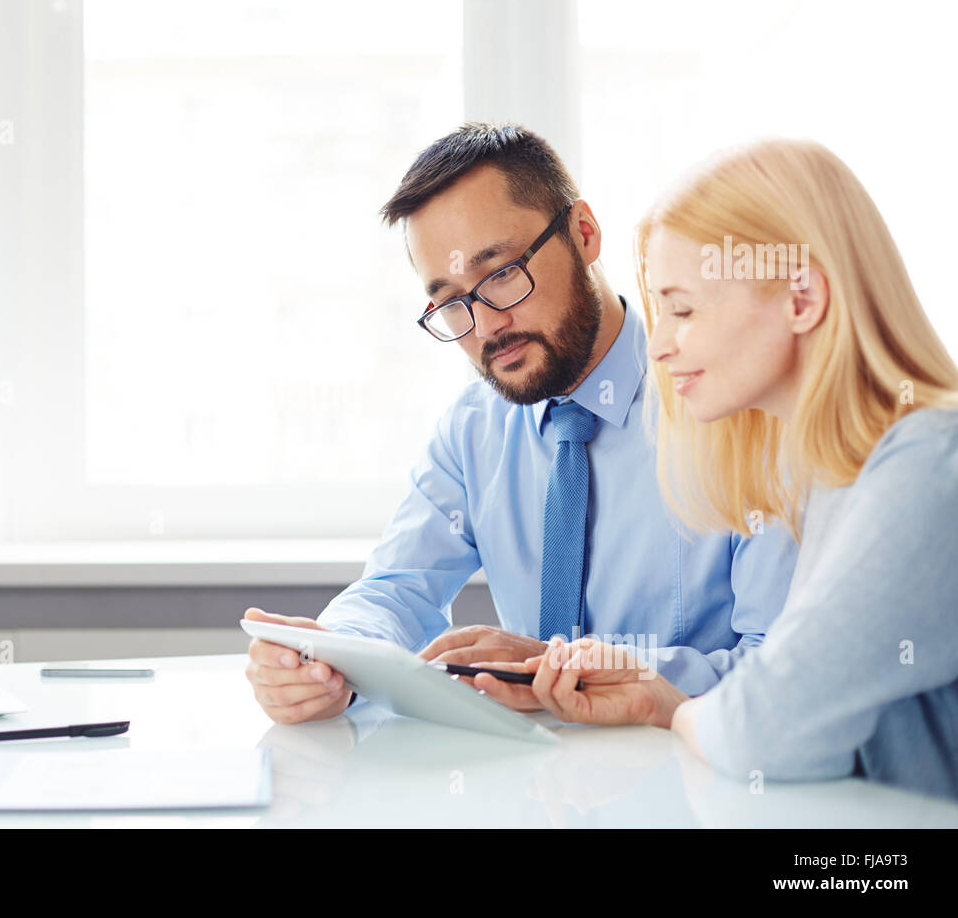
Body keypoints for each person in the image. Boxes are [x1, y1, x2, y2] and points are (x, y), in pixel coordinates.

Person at [244, 123, 797, 725]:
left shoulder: (736, 407)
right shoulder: (473, 432)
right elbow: (396, 589)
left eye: (501, 274)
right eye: (452, 301)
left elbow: (778, 667)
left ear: (584, 234)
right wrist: (328, 662)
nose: (484, 328)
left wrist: (572, 669)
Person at [469, 138, 958, 799]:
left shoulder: (930, 466)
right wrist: (657, 700)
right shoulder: (836, 474)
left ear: (802, 298)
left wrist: (686, 712)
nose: (660, 345)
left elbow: (765, 727)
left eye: (685, 308)